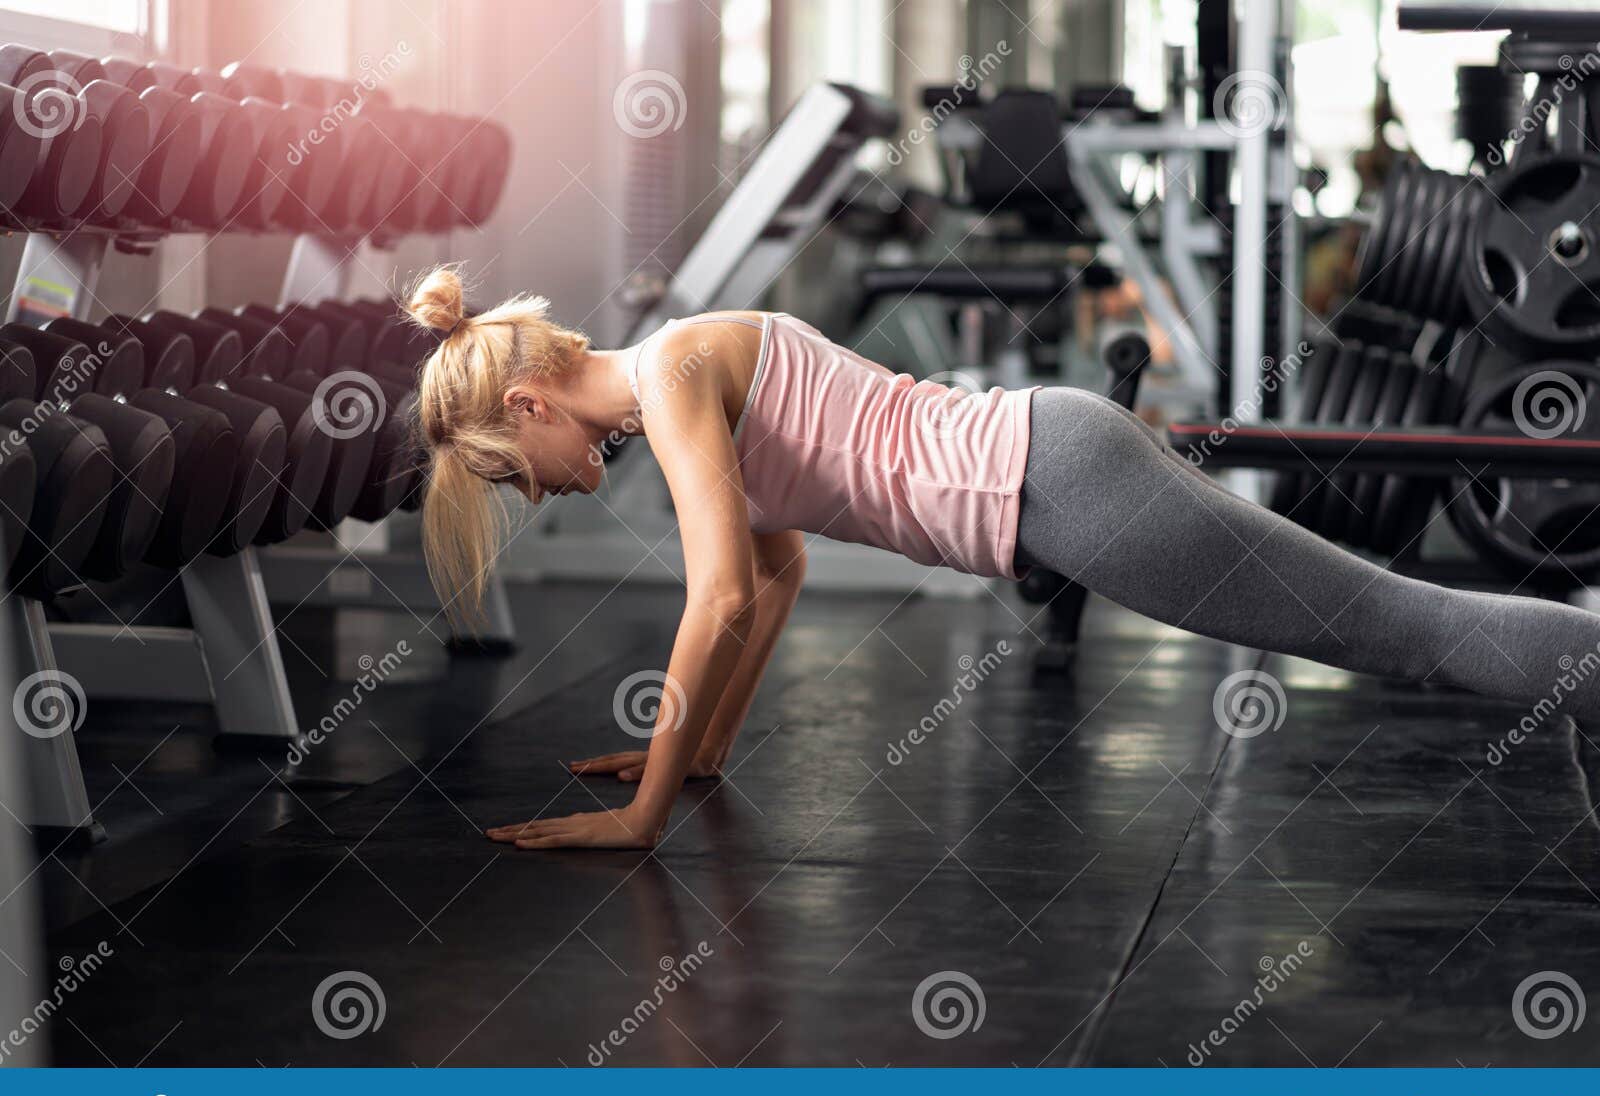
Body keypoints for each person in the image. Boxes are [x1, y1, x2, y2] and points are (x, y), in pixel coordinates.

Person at [403, 266, 1600, 851]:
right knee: (1402, 624)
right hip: (1055, 461)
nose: (541, 489)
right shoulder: (680, 371)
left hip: (1058, 484)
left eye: (515, 470)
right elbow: (774, 577)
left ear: (529, 403)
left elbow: (717, 594)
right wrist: (699, 751)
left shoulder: (668, 380)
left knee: (1406, 630)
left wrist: (643, 819)